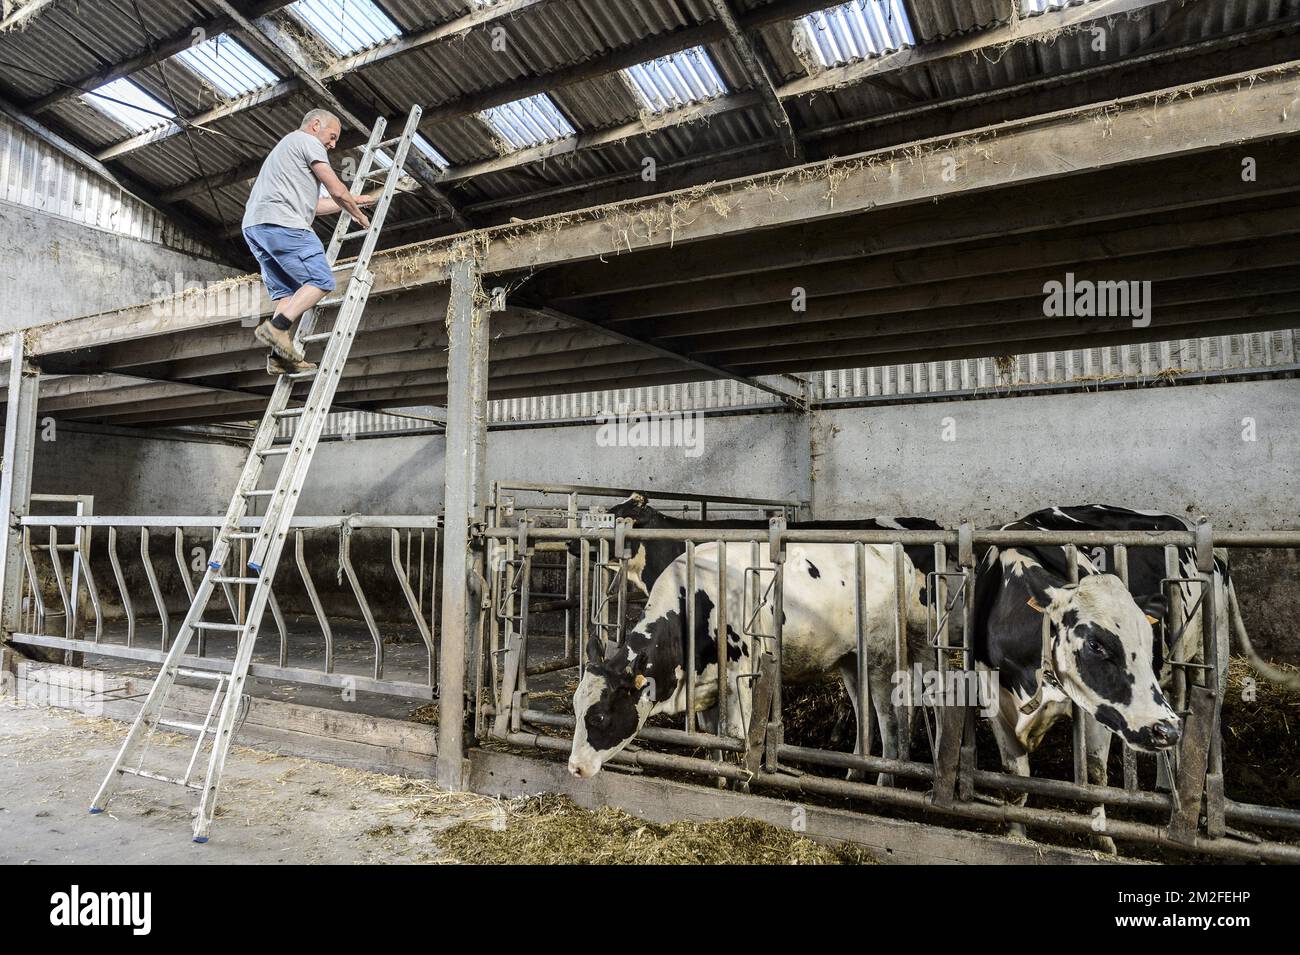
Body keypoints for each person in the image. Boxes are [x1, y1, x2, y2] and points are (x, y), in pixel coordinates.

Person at [242, 108, 377, 372]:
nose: (333, 143)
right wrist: (358, 214)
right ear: (316, 125)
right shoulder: (308, 141)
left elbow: (314, 205)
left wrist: (351, 201)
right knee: (321, 280)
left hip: (257, 227)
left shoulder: (285, 149)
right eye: (333, 136)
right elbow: (336, 188)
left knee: (289, 293)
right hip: (284, 224)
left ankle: (278, 357)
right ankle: (276, 328)